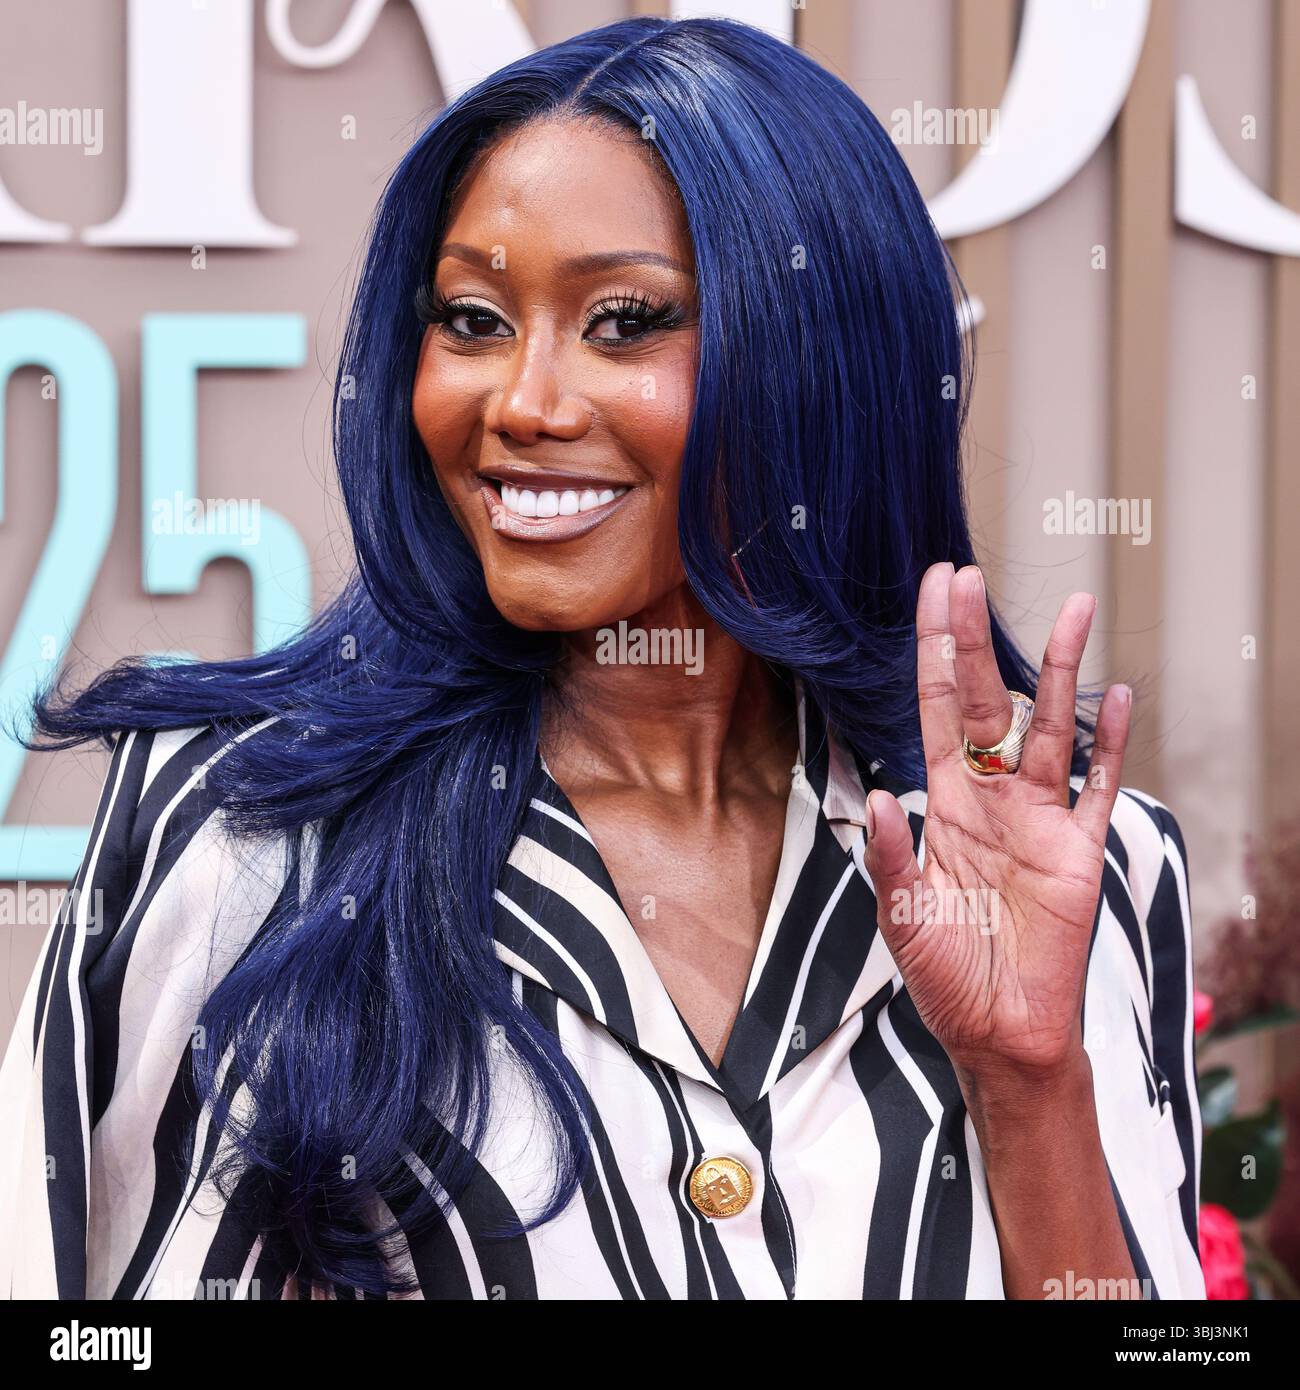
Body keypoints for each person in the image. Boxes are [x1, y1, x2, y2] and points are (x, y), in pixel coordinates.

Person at [0, 16, 1202, 1300]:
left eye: (622, 322)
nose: (519, 400)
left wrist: (1029, 1090)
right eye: (470, 317)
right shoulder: (249, 828)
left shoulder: (1080, 869)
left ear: (819, 364)